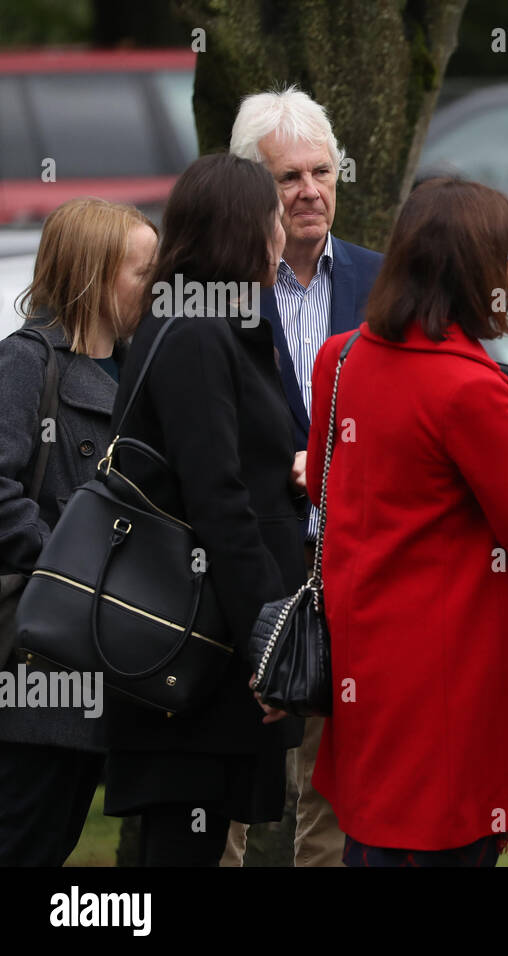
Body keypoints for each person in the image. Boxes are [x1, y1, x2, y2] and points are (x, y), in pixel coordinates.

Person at [304, 177, 508, 867]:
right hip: (447, 671)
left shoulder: (340, 357)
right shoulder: (470, 386)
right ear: (483, 270)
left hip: (361, 651)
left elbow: (322, 475)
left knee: (370, 839)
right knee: (442, 847)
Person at [101, 153, 305, 867]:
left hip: (204, 646)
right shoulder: (193, 328)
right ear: (241, 231)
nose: (282, 237)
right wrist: (270, 643)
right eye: (273, 221)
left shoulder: (209, 321)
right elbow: (217, 498)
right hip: (192, 649)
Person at [228, 84, 382, 867]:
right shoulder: (215, 293)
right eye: (289, 177)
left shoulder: (380, 284)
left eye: (322, 171)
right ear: (253, 184)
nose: (311, 191)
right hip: (242, 565)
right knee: (233, 786)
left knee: (333, 786)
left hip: (348, 568)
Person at [0, 198, 156, 865]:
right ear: (93, 274)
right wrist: (69, 565)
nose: (155, 289)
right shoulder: (26, 363)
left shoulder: (136, 370)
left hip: (97, 667)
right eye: (141, 272)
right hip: (31, 667)